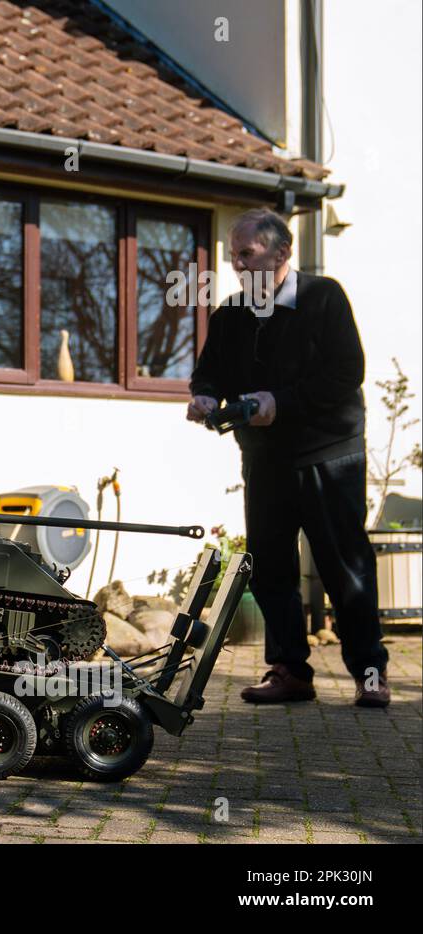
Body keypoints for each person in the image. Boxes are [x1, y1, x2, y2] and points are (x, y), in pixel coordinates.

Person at [187, 208, 389, 707]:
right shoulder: (231, 313)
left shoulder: (324, 298)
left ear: (281, 252)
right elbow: (208, 372)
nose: (236, 264)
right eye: (232, 255)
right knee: (272, 567)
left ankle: (370, 674)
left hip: (328, 456)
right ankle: (289, 671)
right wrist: (206, 397)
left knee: (345, 567)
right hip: (265, 460)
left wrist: (283, 403)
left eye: (246, 254)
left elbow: (347, 373)